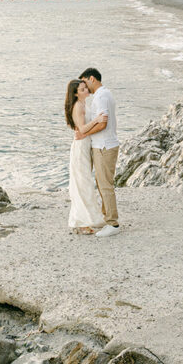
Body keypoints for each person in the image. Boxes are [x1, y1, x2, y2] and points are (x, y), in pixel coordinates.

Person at [76, 68, 120, 237]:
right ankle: (106, 218)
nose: (85, 87)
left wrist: (84, 133)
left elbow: (102, 123)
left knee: (105, 185)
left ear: (92, 79)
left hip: (104, 146)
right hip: (104, 145)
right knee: (102, 183)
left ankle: (113, 224)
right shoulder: (104, 94)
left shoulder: (101, 96)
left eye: (85, 83)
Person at [64, 79, 104, 234]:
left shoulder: (83, 104)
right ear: (75, 93)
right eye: (82, 90)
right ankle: (82, 222)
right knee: (82, 182)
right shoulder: (78, 106)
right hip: (81, 147)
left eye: (86, 88)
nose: (86, 91)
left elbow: (82, 130)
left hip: (85, 144)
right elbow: (82, 128)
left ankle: (86, 219)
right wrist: (97, 120)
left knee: (84, 181)